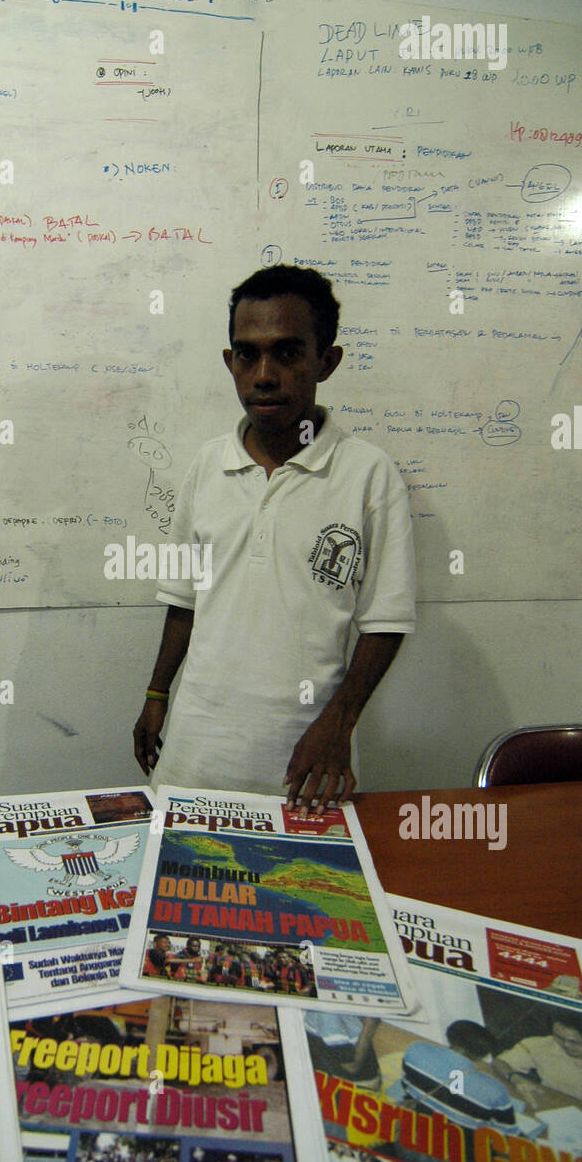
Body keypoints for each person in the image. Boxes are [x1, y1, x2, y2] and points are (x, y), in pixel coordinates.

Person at [133, 265, 415, 811]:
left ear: (325, 361)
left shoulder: (367, 475)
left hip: (303, 763)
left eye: (288, 353)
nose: (264, 374)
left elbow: (385, 622)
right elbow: (184, 601)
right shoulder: (207, 466)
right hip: (194, 756)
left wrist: (341, 723)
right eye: (247, 354)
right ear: (230, 362)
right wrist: (155, 693)